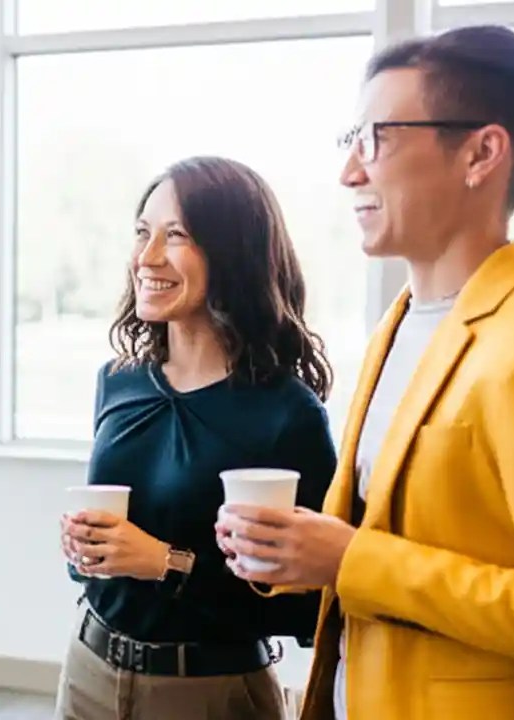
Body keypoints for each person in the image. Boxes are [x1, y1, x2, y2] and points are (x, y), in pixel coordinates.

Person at [216, 25, 514, 720]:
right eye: (351, 141)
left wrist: (352, 560)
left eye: (378, 139)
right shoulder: (398, 325)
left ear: (482, 152)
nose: (350, 172)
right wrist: (295, 553)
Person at [56, 156, 338, 720]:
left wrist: (168, 562)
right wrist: (84, 549)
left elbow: (311, 607)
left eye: (176, 235)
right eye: (143, 232)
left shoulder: (287, 415)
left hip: (210, 691)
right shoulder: (118, 382)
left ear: (233, 253)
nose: (146, 256)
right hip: (88, 670)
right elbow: (113, 552)